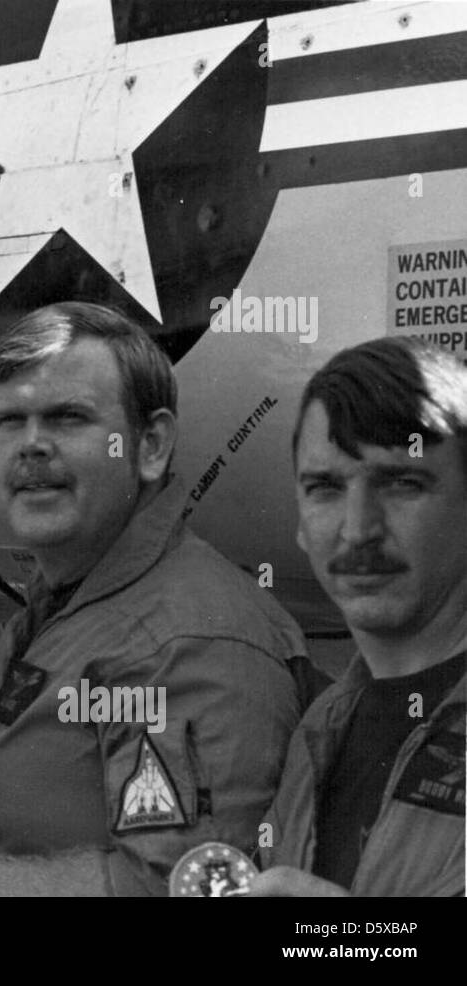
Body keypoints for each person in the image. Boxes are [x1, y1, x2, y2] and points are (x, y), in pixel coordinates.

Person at [0, 302, 310, 896]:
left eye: (68, 418)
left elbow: (179, 889)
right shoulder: (65, 609)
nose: (32, 446)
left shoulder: (187, 643)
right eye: (9, 421)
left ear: (150, 445)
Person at [250, 338, 466, 897]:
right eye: (325, 488)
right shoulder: (322, 725)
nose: (357, 529)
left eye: (402, 483)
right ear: (299, 521)